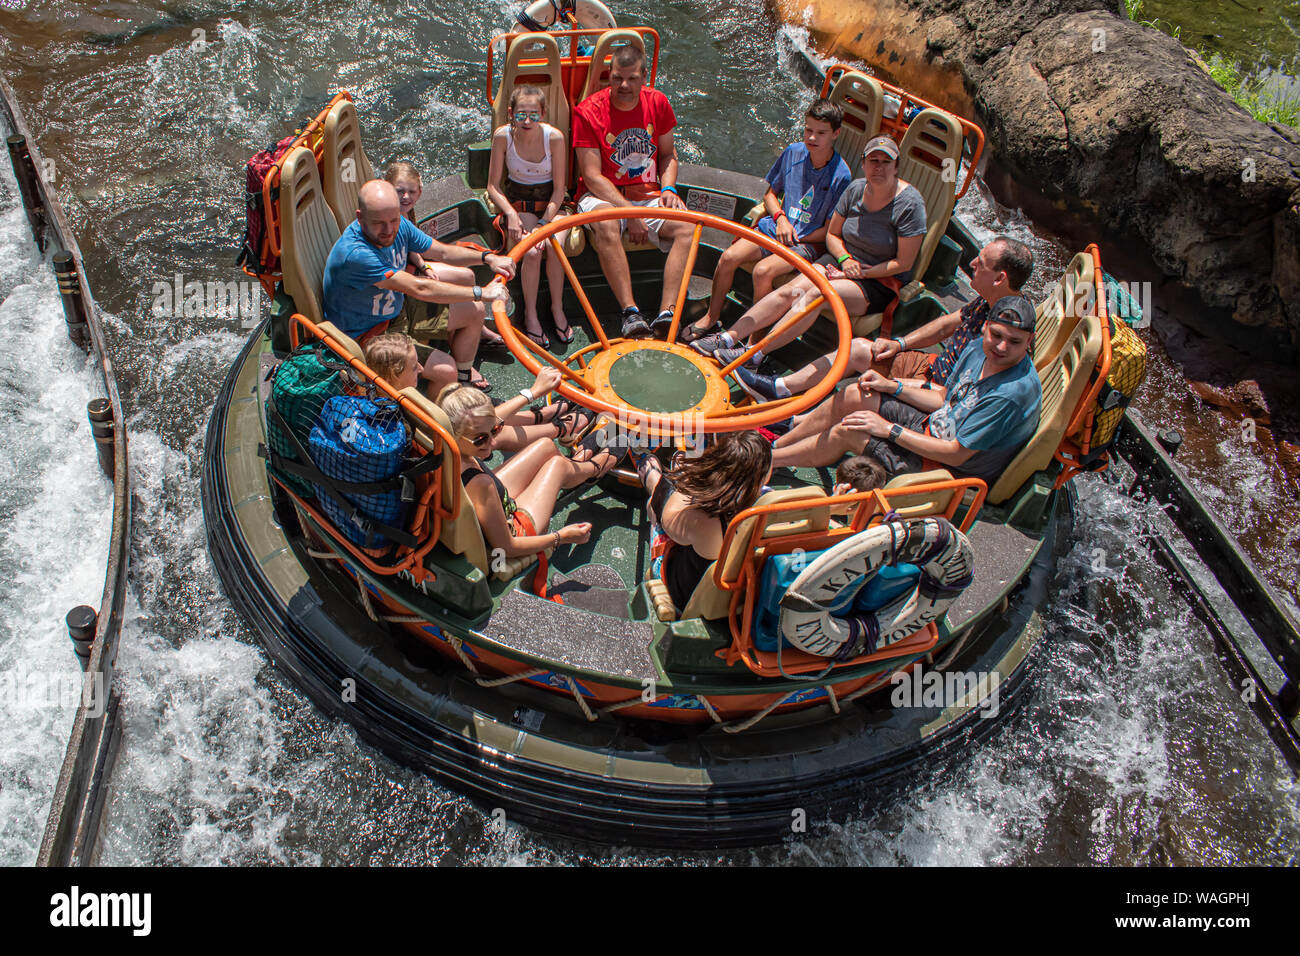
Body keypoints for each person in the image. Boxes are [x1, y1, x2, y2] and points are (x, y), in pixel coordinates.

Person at [691, 135, 926, 369]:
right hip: (840, 261)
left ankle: (754, 354)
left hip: (875, 280)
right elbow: (833, 235)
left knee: (816, 295)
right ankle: (728, 337)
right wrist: (845, 259)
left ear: (896, 167)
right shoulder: (856, 189)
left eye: (886, 162)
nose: (879, 167)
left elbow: (903, 263)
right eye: (873, 160)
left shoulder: (910, 204)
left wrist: (857, 272)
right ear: (863, 163)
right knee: (790, 291)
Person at [770, 295, 1043, 487]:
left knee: (849, 430)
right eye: (997, 335)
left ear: (1029, 341)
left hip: (946, 469)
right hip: (934, 427)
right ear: (985, 327)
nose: (1001, 347)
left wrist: (888, 429)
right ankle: (777, 446)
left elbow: (956, 454)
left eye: (1014, 341)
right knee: (856, 394)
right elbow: (943, 398)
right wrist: (892, 386)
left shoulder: (1010, 395)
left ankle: (767, 463)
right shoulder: (977, 349)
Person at [732, 236, 1034, 403]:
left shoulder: (1006, 331)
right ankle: (780, 388)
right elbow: (946, 324)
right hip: (932, 367)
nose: (972, 264)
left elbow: (960, 396)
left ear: (1000, 279)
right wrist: (899, 344)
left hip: (940, 391)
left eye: (981, 263)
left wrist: (896, 385)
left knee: (859, 392)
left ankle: (792, 420)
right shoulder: (988, 302)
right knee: (857, 348)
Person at [682, 99, 852, 342]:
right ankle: (711, 316)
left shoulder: (841, 176)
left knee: (763, 271)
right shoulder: (793, 152)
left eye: (821, 133)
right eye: (808, 130)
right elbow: (770, 195)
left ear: (836, 134)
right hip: (775, 228)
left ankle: (754, 340)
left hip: (806, 242)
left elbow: (828, 230)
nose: (812, 138)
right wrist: (780, 219)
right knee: (729, 257)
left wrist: (794, 236)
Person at [322, 179, 514, 393]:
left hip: (396, 310)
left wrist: (488, 258)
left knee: (475, 310)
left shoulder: (399, 225)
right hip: (371, 335)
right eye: (379, 223)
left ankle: (464, 377)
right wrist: (482, 292)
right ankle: (432, 410)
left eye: (393, 220)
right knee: (446, 370)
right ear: (360, 218)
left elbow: (442, 252)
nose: (388, 230)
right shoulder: (356, 255)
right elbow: (419, 288)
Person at [571, 44, 695, 339]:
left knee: (688, 227)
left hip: (646, 194)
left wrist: (668, 187)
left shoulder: (658, 103)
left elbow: (668, 154)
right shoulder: (588, 112)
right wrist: (630, 212)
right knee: (607, 223)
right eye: (617, 78)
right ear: (609, 75)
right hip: (602, 195)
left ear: (644, 77)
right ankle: (630, 312)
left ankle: (667, 313)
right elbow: (592, 176)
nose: (624, 85)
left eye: (631, 78)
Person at [439, 383, 622, 578]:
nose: (492, 442)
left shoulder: (440, 440)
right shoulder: (481, 484)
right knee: (557, 466)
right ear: (456, 434)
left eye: (495, 430)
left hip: (481, 502)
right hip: (510, 535)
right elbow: (508, 547)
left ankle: (577, 465)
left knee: (545, 445)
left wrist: (531, 393)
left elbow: (487, 419)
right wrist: (561, 537)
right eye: (481, 439)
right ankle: (594, 468)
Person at [363, 331, 592, 451]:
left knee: (480, 414)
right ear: (394, 375)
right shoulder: (406, 412)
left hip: (442, 440)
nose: (422, 369)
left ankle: (543, 415)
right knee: (489, 433)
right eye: (414, 367)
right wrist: (533, 391)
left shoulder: (379, 395)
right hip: (448, 460)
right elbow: (482, 422)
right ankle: (560, 428)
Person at [382, 161, 509, 356]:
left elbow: (416, 248)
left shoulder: (405, 216)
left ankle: (477, 328)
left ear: (419, 192)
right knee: (460, 290)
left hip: (411, 269)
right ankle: (459, 342)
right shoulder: (390, 221)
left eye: (411, 192)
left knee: (467, 276)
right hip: (403, 282)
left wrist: (423, 266)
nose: (406, 197)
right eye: (400, 191)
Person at [637, 431, 772, 611]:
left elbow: (667, 519)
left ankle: (652, 480)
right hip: (743, 595)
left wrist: (681, 479)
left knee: (654, 505)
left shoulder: (705, 519)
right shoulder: (773, 506)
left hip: (688, 599)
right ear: (765, 475)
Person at [486, 86, 574, 349]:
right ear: (511, 113)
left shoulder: (554, 138)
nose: (527, 121)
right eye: (521, 115)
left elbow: (559, 189)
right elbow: (493, 186)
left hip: (552, 205)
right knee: (533, 252)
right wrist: (511, 214)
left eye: (533, 115)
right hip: (520, 202)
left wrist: (544, 224)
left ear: (543, 114)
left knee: (554, 245)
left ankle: (557, 308)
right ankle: (531, 314)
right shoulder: (503, 137)